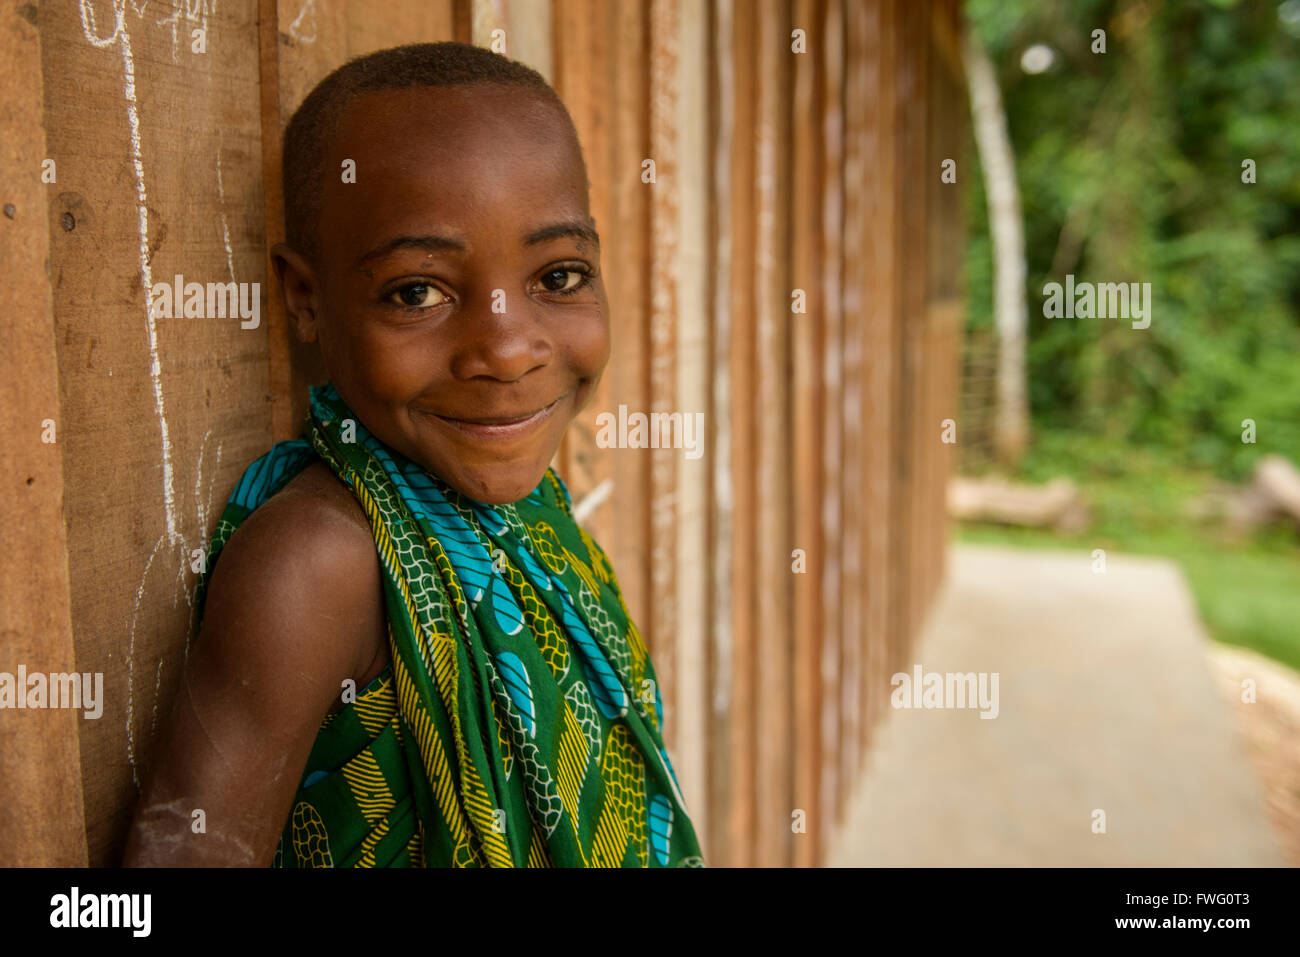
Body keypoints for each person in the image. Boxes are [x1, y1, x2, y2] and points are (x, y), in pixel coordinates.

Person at [123, 42, 703, 868]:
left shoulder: (520, 505)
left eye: (560, 275)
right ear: (307, 298)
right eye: (417, 292)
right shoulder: (317, 559)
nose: (506, 350)